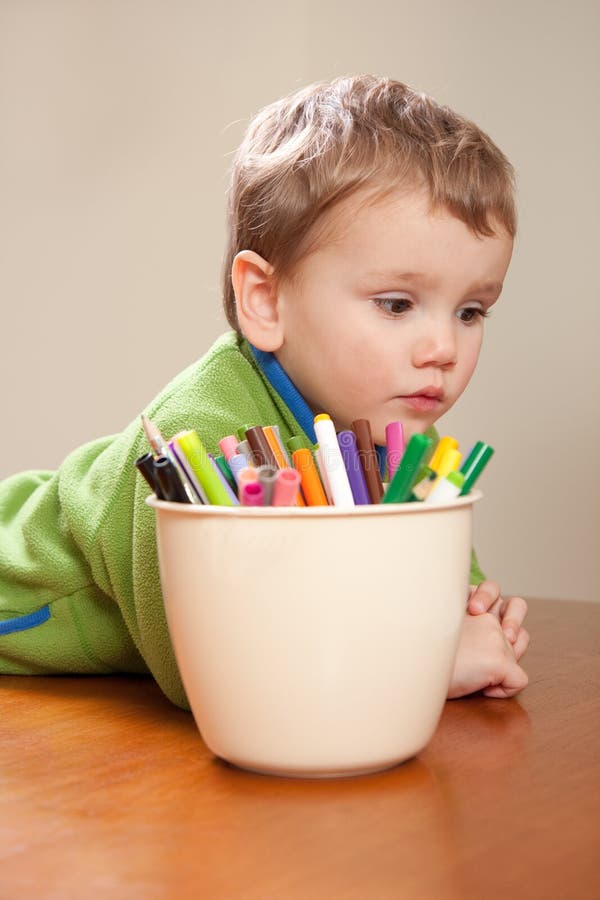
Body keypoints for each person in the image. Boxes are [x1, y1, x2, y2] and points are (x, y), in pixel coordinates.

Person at [0, 75, 529, 707]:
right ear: (266, 300)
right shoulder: (200, 434)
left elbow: (436, 591)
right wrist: (423, 660)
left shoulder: (402, 433)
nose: (443, 347)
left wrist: (474, 619)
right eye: (396, 304)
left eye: (471, 311)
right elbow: (214, 674)